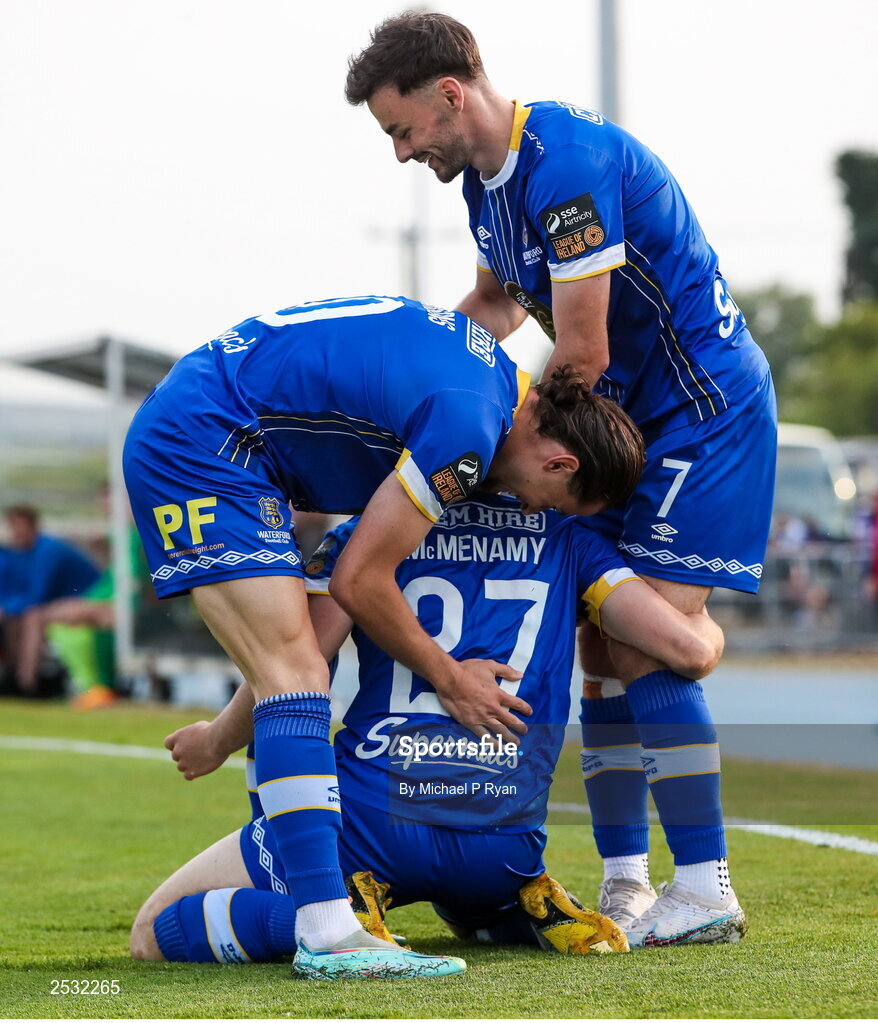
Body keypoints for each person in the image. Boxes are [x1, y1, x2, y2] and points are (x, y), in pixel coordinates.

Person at [346, 13, 778, 943]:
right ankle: (627, 880)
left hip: (700, 415)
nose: (401, 152)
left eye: (401, 128)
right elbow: (496, 304)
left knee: (652, 639)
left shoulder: (567, 165)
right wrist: (426, 383)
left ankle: (705, 885)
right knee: (597, 645)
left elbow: (580, 352)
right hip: (623, 421)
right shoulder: (486, 186)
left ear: (449, 95)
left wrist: (485, 442)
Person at [122, 293, 644, 979]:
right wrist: (453, 677)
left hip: (226, 428)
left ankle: (326, 916)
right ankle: (327, 927)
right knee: (296, 673)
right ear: (560, 465)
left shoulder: (490, 381)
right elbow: (359, 583)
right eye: (562, 503)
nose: (537, 510)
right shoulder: (470, 427)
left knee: (296, 663)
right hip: (208, 441)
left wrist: (221, 737)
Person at [131, 492, 727, 964]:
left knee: (154, 929)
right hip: (502, 840)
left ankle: (330, 914)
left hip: (371, 824)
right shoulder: (571, 540)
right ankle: (522, 906)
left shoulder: (365, 539)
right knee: (468, 904)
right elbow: (682, 650)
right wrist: (706, 626)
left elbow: (292, 669)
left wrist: (213, 739)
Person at [0, 505, 101, 694]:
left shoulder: (48, 550)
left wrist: (7, 607)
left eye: (20, 526)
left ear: (33, 526)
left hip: (91, 598)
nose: (16, 532)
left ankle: (26, 684)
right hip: (67, 600)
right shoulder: (23, 552)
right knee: (15, 620)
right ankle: (14, 676)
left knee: (32, 617)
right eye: (13, 526)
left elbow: (37, 594)